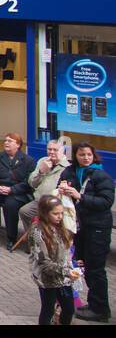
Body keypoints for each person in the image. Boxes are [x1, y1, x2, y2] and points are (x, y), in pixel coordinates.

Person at [58, 143, 114, 323]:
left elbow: (106, 202)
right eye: (82, 155)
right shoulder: (69, 172)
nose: (86, 158)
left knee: (96, 269)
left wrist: (80, 196)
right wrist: (61, 190)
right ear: (76, 155)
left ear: (94, 156)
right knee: (84, 266)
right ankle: (93, 303)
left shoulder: (100, 175)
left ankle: (101, 310)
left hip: (98, 227)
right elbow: (60, 188)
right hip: (79, 227)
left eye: (89, 154)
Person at [28, 195, 81, 326]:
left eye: (61, 213)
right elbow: (44, 263)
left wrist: (74, 263)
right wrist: (66, 272)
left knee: (69, 309)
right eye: (55, 214)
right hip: (47, 278)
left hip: (63, 276)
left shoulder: (61, 227)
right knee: (48, 310)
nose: (59, 217)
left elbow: (66, 251)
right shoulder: (37, 232)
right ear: (45, 213)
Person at [7, 140, 70, 244]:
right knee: (25, 211)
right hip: (39, 201)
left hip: (56, 203)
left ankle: (48, 242)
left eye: (55, 150)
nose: (52, 152)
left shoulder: (67, 167)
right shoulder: (42, 161)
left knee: (51, 217)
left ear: (62, 152)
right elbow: (32, 183)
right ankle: (34, 241)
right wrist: (41, 171)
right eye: (49, 149)